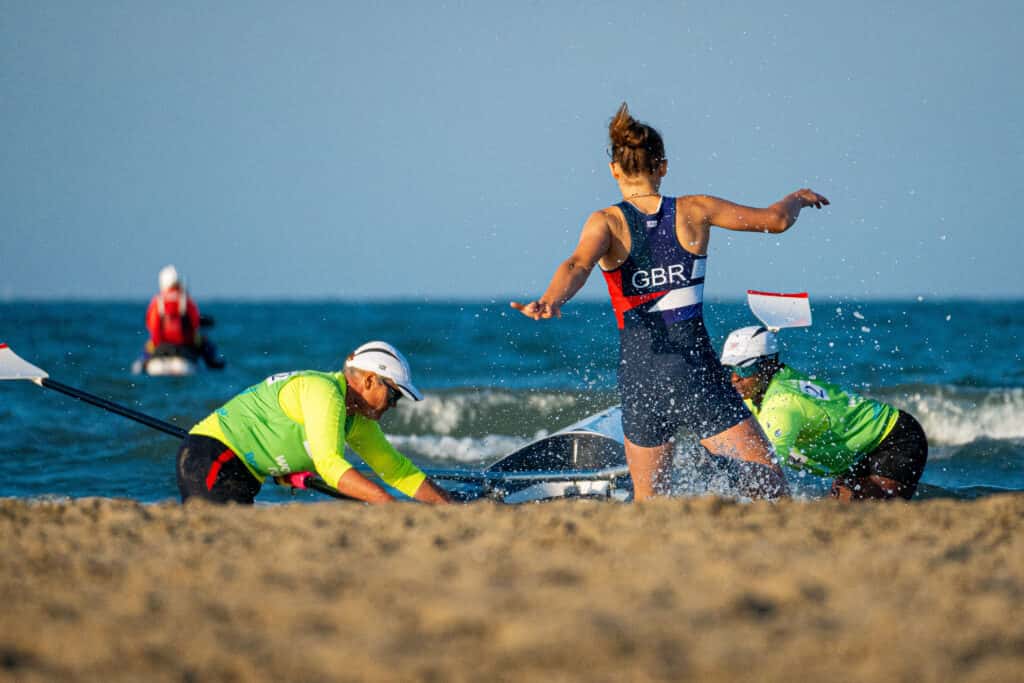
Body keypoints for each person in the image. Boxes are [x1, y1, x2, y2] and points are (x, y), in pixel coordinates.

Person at [511, 102, 829, 501]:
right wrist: (796, 197)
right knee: (773, 496)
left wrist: (550, 299)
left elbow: (577, 263)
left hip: (641, 379)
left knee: (651, 508)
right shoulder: (696, 210)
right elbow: (776, 221)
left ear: (614, 169)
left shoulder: (605, 222)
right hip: (696, 374)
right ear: (663, 166)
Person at [176, 341, 452, 505]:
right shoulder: (324, 391)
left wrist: (448, 505)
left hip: (247, 475)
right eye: (394, 394)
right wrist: (390, 506)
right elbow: (329, 464)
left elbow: (396, 470)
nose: (394, 404)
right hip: (212, 457)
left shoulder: (356, 419)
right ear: (369, 380)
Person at [720, 325, 929, 500]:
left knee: (875, 516)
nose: (734, 378)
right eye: (729, 369)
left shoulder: (781, 405)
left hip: (894, 439)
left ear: (767, 365)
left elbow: (767, 470)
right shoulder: (760, 387)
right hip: (854, 455)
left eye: (743, 369)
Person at [143, 264, 224, 370]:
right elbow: (195, 323)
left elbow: (151, 325)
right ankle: (213, 363)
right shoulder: (186, 301)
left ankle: (143, 363)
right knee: (204, 342)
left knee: (147, 347)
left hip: (159, 352)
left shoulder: (157, 302)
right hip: (185, 353)